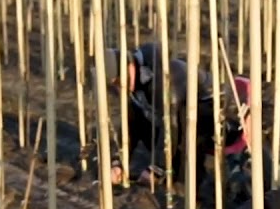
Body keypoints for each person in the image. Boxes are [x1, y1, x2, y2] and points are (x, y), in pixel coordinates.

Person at [90, 42, 248, 194]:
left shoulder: (165, 80)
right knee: (141, 120)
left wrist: (156, 169)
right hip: (174, 122)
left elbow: (171, 128)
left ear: (129, 66)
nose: (119, 87)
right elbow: (130, 125)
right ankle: (172, 171)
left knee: (186, 118)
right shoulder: (136, 85)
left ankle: (188, 184)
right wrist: (118, 161)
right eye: (115, 84)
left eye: (119, 81)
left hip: (216, 116)